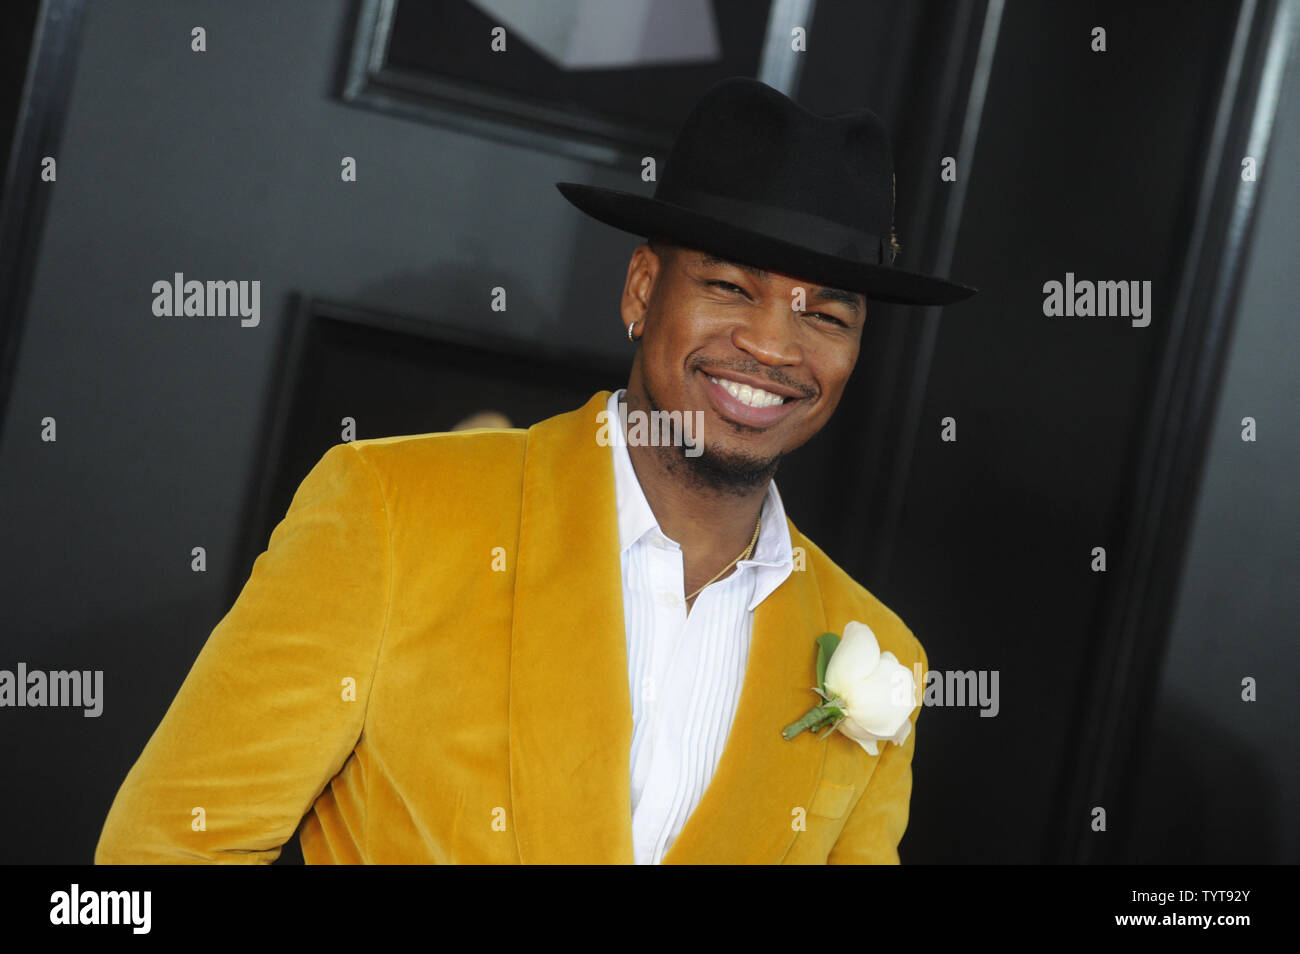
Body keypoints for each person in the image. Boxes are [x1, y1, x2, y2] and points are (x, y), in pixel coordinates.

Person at [95, 76, 976, 865]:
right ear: (640, 290)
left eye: (825, 315)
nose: (773, 346)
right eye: (730, 289)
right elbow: (170, 850)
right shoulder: (392, 512)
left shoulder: (880, 655)